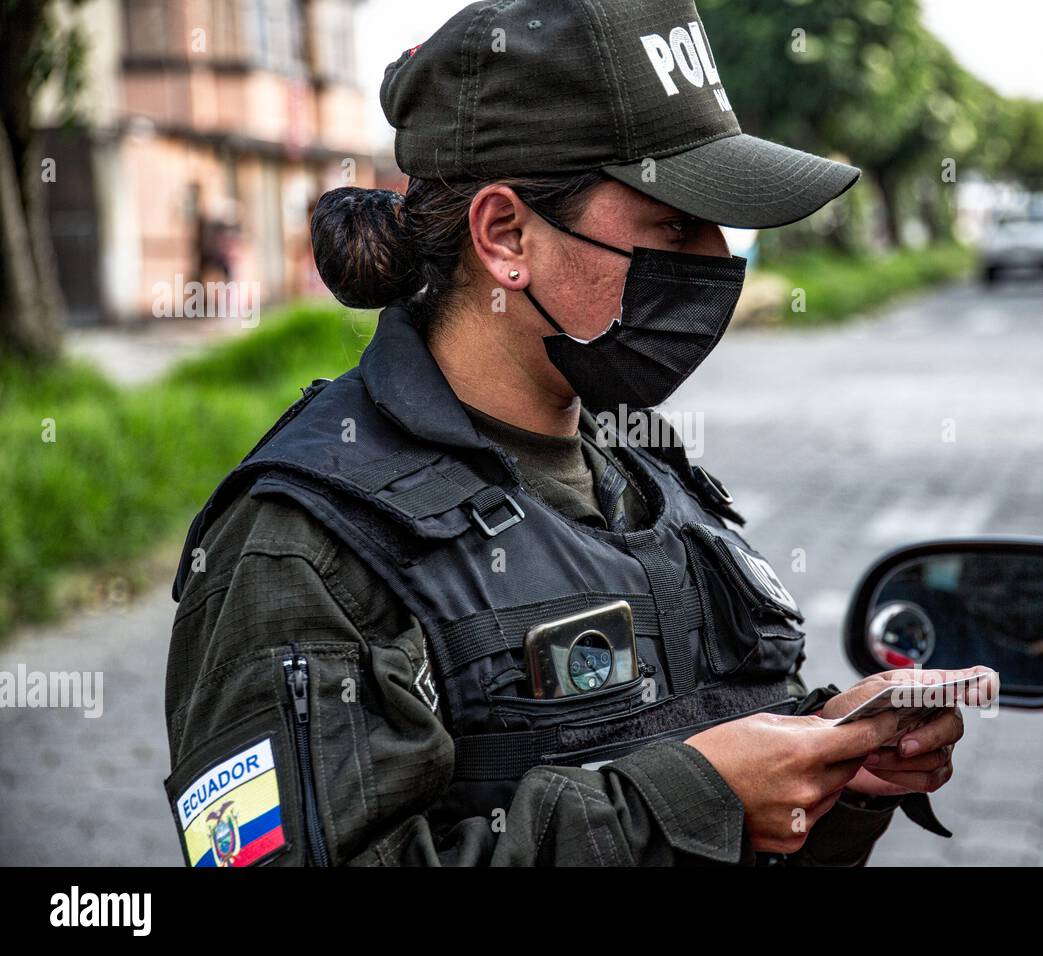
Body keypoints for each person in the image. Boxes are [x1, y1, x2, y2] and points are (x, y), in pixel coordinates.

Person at [163, 0, 984, 867]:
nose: (718, 262)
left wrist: (825, 767)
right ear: (505, 235)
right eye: (673, 224)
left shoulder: (640, 479)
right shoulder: (301, 552)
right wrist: (686, 803)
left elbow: (713, 779)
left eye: (719, 226)